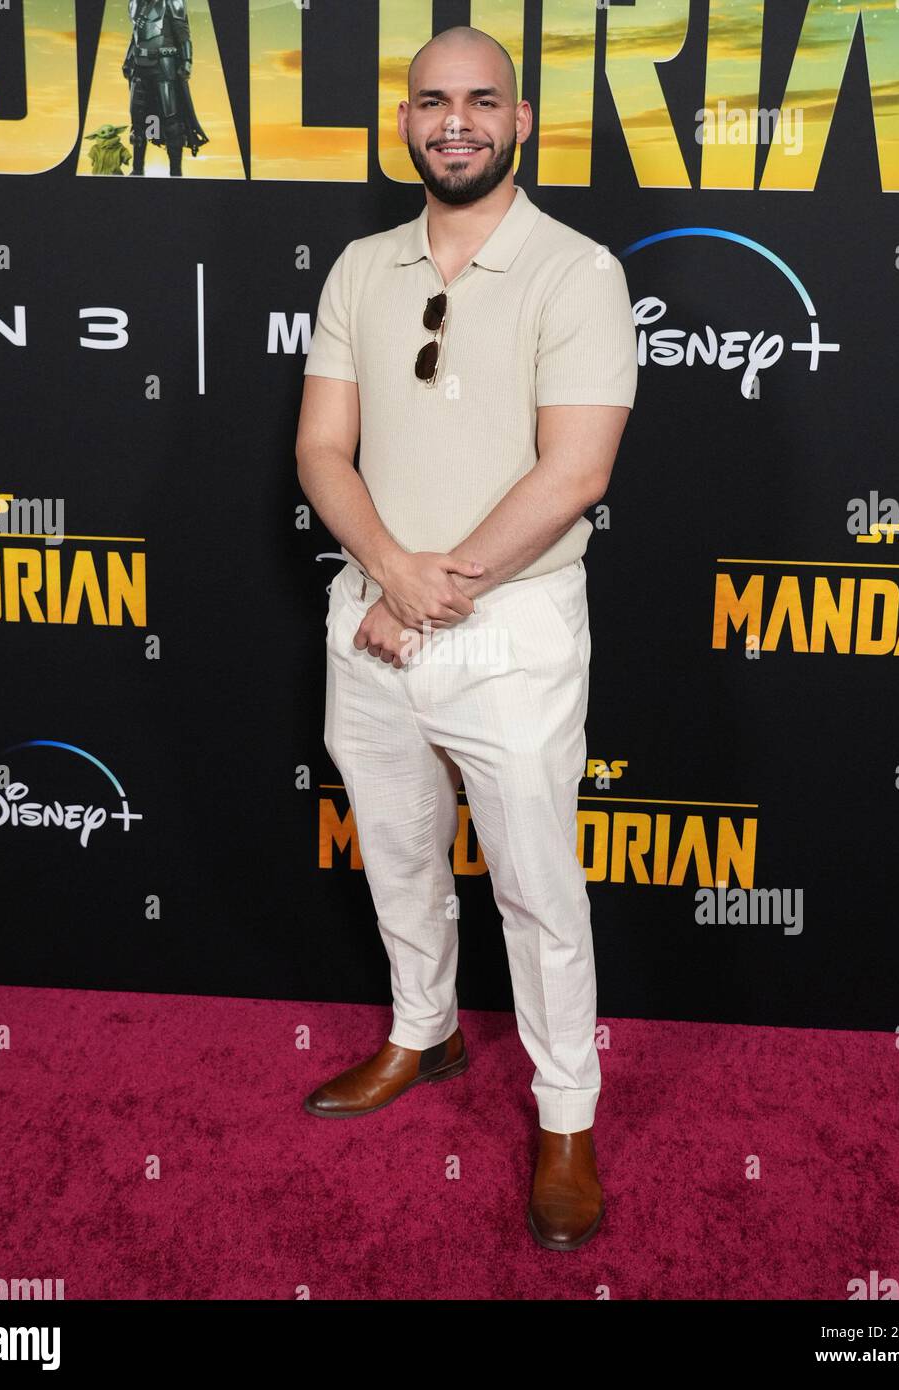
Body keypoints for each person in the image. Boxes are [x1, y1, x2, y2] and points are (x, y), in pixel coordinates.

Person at [295, 25, 637, 1251]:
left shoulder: (577, 271)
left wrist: (437, 588)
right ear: (404, 121)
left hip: (511, 625)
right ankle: (421, 1030)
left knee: (538, 888)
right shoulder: (358, 266)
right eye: (432, 102)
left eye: (479, 102)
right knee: (395, 850)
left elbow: (577, 468)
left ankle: (563, 1117)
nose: (455, 122)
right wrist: (388, 574)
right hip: (368, 618)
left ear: (520, 119)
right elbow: (320, 449)